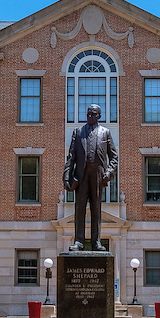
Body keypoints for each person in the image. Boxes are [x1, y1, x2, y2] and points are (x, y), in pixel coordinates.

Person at [63, 103, 119, 251]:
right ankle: (79, 241)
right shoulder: (78, 132)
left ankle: (96, 242)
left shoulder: (105, 133)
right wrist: (66, 177)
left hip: (98, 177)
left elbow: (114, 157)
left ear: (99, 116)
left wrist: (108, 173)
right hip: (81, 176)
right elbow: (71, 157)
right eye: (88, 113)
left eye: (93, 114)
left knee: (96, 209)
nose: (89, 116)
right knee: (79, 209)